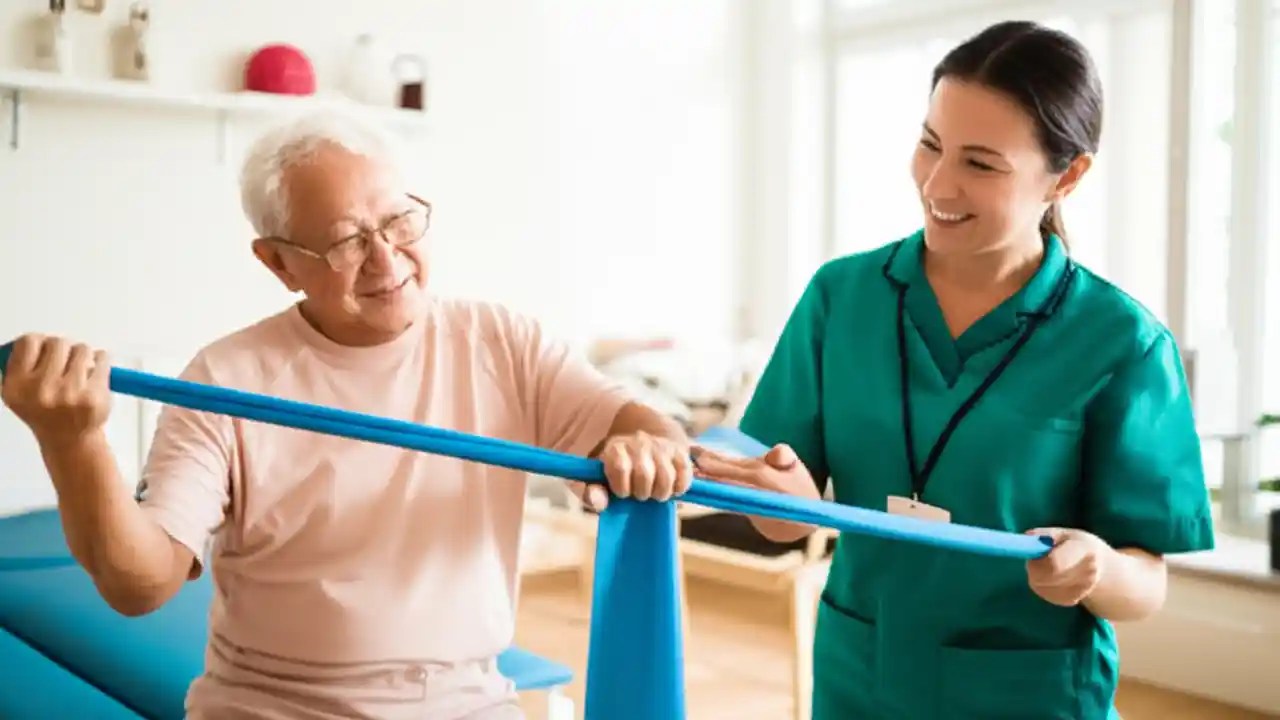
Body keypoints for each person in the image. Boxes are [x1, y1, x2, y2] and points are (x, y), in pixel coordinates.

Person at [0, 111, 693, 720]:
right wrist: (74, 443)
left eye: (398, 221)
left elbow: (637, 423)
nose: (386, 259)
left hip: (470, 705)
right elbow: (139, 584)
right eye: (345, 240)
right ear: (279, 263)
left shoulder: (500, 341)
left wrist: (649, 444)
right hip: (269, 709)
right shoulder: (225, 378)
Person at [693, 20, 1214, 720]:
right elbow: (784, 521)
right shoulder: (840, 298)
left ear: (1068, 175)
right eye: (931, 144)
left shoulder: (1122, 343)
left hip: (1027, 694)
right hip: (861, 678)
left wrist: (1096, 568)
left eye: (981, 163)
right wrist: (785, 498)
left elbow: (1145, 584)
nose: (938, 183)